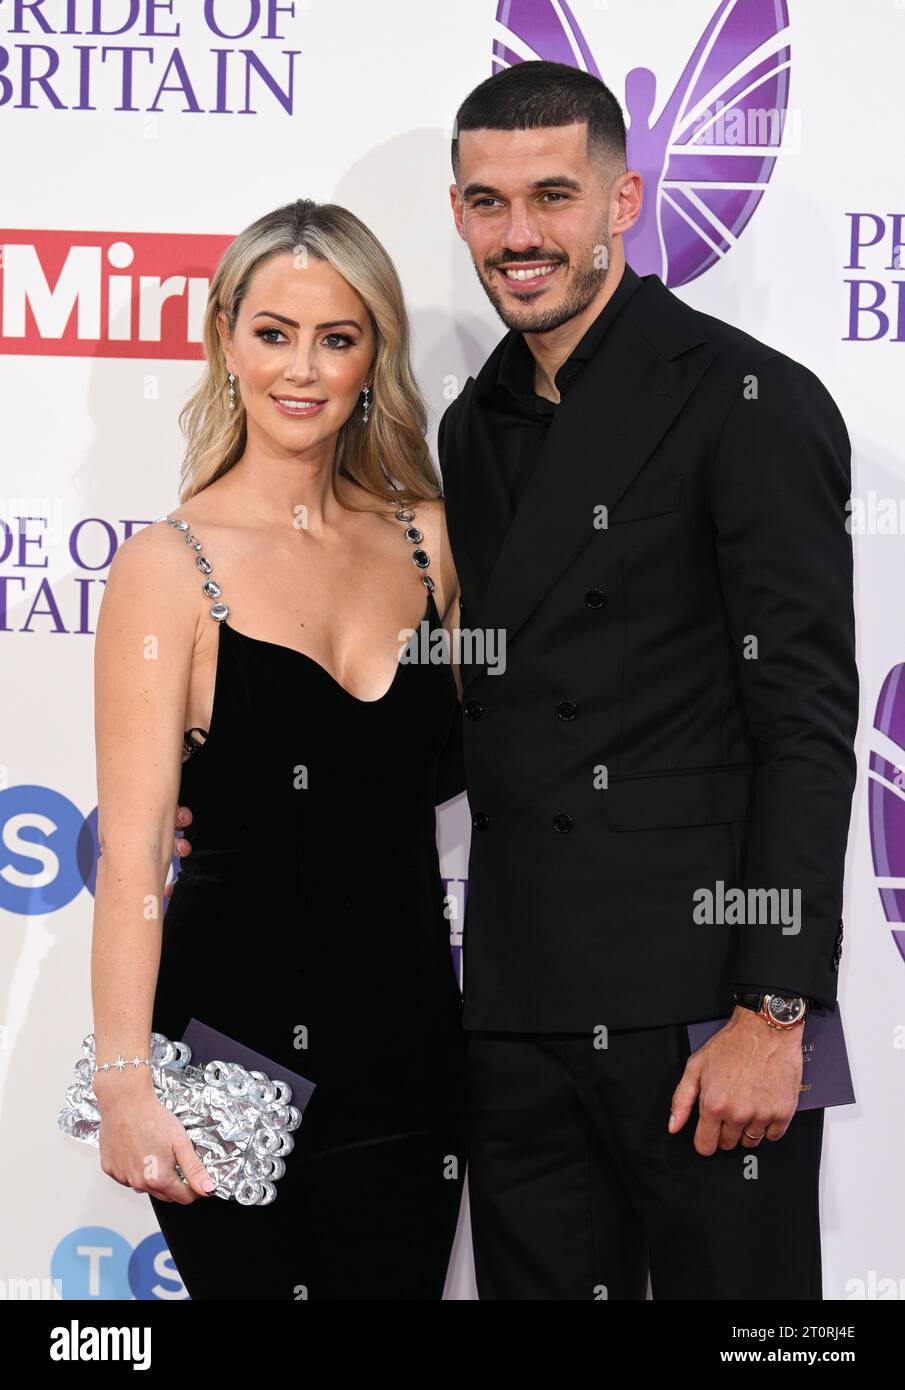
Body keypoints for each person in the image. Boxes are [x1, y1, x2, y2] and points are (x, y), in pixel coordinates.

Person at [90, 198, 468, 1300]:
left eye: (335, 337)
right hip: (225, 1052)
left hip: (408, 1055)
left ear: (372, 357)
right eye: (273, 332)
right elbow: (131, 861)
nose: (301, 368)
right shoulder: (168, 566)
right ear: (224, 339)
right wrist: (124, 1082)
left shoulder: (429, 541)